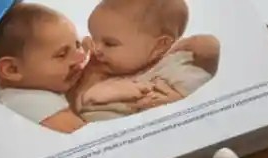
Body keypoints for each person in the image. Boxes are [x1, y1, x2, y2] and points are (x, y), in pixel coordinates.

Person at [74, 0, 220, 121]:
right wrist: (92, 94)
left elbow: (208, 48)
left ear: (160, 46)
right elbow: (78, 106)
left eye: (110, 43)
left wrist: (179, 102)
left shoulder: (173, 67)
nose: (97, 49)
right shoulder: (95, 66)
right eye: (94, 38)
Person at [0, 3, 89, 134]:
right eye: (62, 55)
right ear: (12, 69)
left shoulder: (42, 84)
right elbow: (77, 128)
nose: (81, 57)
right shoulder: (20, 100)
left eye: (77, 45)